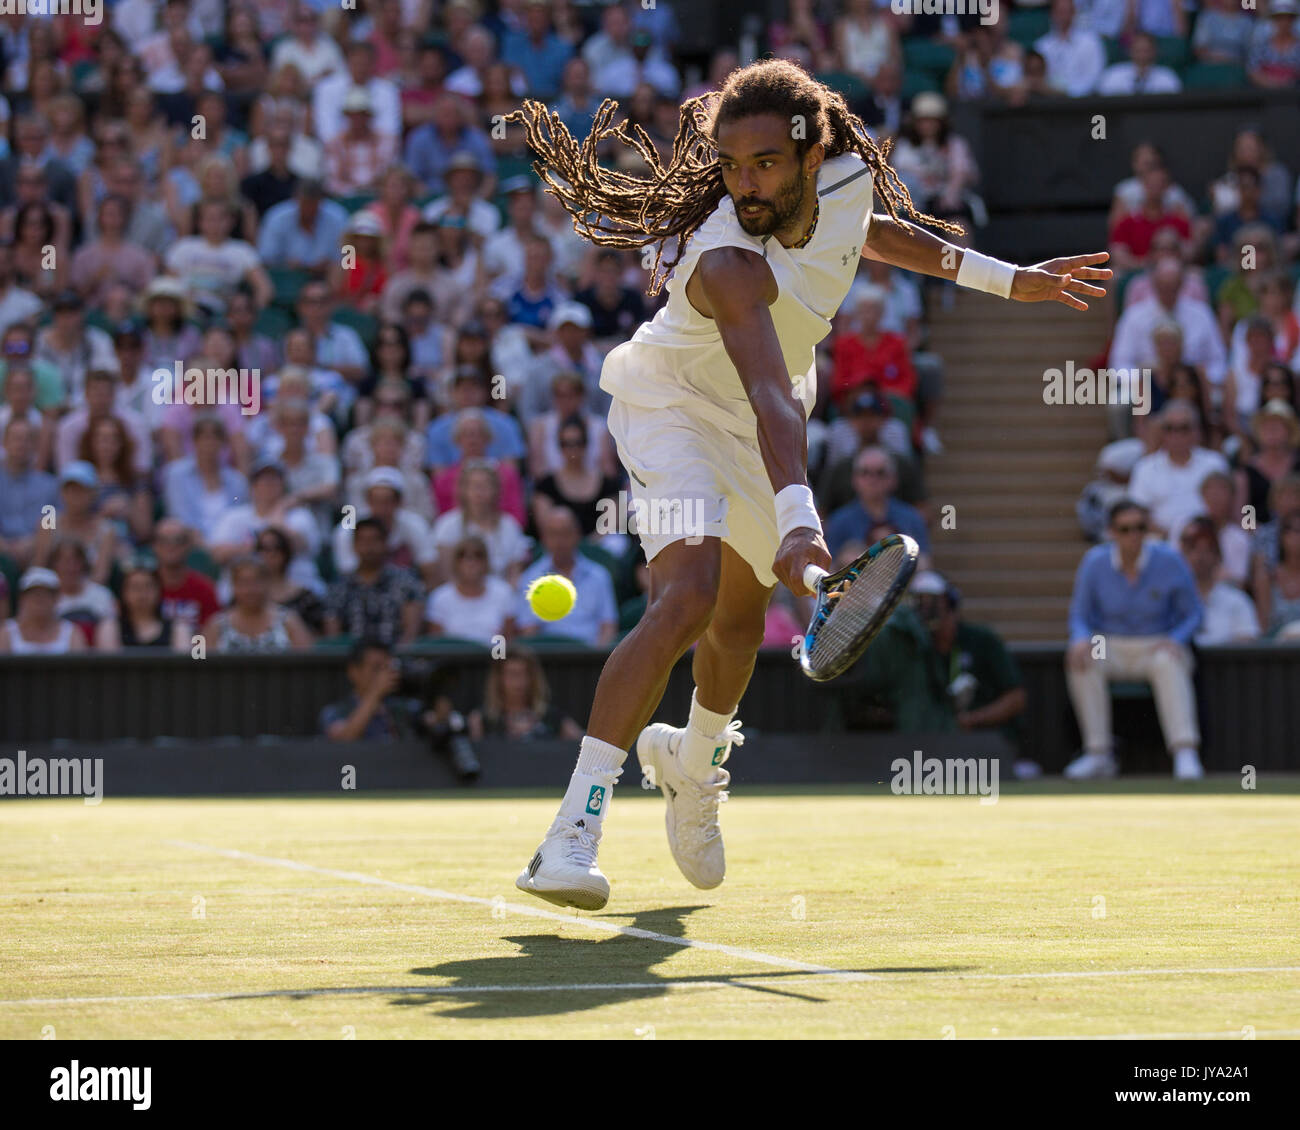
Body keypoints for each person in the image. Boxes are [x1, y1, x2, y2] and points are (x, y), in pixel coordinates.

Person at [503, 56, 1109, 909]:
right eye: (731, 166)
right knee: (687, 596)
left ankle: (691, 760)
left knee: (743, 625)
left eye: (765, 165)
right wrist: (800, 517)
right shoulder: (727, 260)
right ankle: (570, 833)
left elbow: (877, 231)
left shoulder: (846, 177)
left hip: (767, 408)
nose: (744, 185)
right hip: (672, 404)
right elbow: (766, 398)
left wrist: (1008, 281)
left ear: (812, 156)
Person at [1065, 499, 1204, 780]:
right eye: (1125, 529)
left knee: (1169, 659)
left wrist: (1176, 638)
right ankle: (1098, 754)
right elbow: (1080, 615)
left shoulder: (1170, 560)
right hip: (1109, 643)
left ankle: (1184, 751)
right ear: (1112, 532)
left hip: (1156, 642)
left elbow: (1194, 613)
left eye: (1140, 528)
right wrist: (1080, 639)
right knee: (1084, 658)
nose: (1133, 536)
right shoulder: (1094, 562)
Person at [832, 569, 1030, 756]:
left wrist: (970, 720)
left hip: (991, 743)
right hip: (936, 748)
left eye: (933, 602)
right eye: (920, 602)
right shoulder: (914, 645)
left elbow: (1016, 698)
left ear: (950, 603)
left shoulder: (983, 641)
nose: (926, 610)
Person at [515, 507, 618, 647]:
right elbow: (529, 631)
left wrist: (598, 661)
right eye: (554, 534)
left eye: (565, 533)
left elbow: (608, 627)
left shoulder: (599, 576)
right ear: (544, 538)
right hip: (548, 658)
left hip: (591, 658)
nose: (560, 541)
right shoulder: (530, 578)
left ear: (577, 535)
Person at [322, 516, 424, 646]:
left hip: (397, 659)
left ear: (386, 543)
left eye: (374, 540)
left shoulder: (407, 582)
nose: (368, 546)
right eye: (362, 540)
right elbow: (333, 637)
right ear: (353, 545)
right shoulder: (338, 586)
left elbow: (411, 634)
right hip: (351, 661)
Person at [200, 553, 312, 653]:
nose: (250, 590)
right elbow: (200, 664)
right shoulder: (216, 626)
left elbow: (307, 662)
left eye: (256, 582)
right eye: (243, 583)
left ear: (267, 583)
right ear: (233, 586)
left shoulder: (289, 622)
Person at [468, 646, 583, 742]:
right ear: (499, 679)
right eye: (513, 674)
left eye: (525, 674)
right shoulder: (481, 720)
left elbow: (583, 746)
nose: (519, 681)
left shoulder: (552, 718)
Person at [1177, 518, 1260, 646]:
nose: (1200, 556)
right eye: (1193, 548)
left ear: (1218, 555)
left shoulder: (1237, 601)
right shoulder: (1171, 601)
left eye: (1207, 549)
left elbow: (1248, 644)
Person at [425, 534, 517, 644]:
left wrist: (496, 659)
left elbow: (508, 641)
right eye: (463, 556)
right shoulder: (440, 598)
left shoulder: (503, 593)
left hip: (493, 658)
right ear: (456, 563)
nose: (471, 563)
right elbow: (437, 645)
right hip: (452, 660)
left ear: (486, 562)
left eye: (478, 556)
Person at [95, 557, 190, 651]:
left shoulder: (178, 629)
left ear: (159, 591)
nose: (142, 593)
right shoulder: (110, 628)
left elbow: (185, 663)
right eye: (135, 587)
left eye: (148, 586)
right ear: (123, 593)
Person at [0, 567, 85, 654]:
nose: (39, 599)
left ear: (56, 598)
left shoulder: (72, 633)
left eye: (46, 594)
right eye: (33, 594)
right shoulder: (6, 632)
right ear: (22, 599)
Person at [1252, 512, 1300, 639]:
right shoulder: (1267, 578)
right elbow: (1262, 625)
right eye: (1293, 530)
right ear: (1282, 537)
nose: (1297, 537)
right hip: (1276, 650)